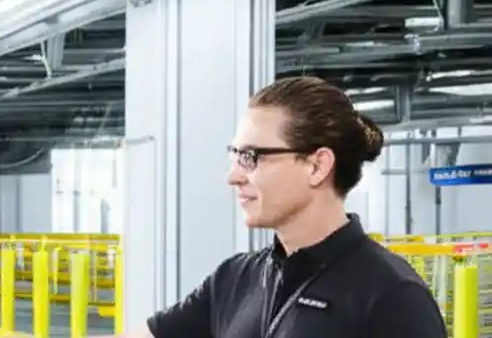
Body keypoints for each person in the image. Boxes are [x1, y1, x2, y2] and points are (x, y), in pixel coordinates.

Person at [106, 75, 446, 338]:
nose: (233, 176)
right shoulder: (235, 279)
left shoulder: (391, 296)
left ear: (317, 166)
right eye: (235, 156)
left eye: (251, 157)